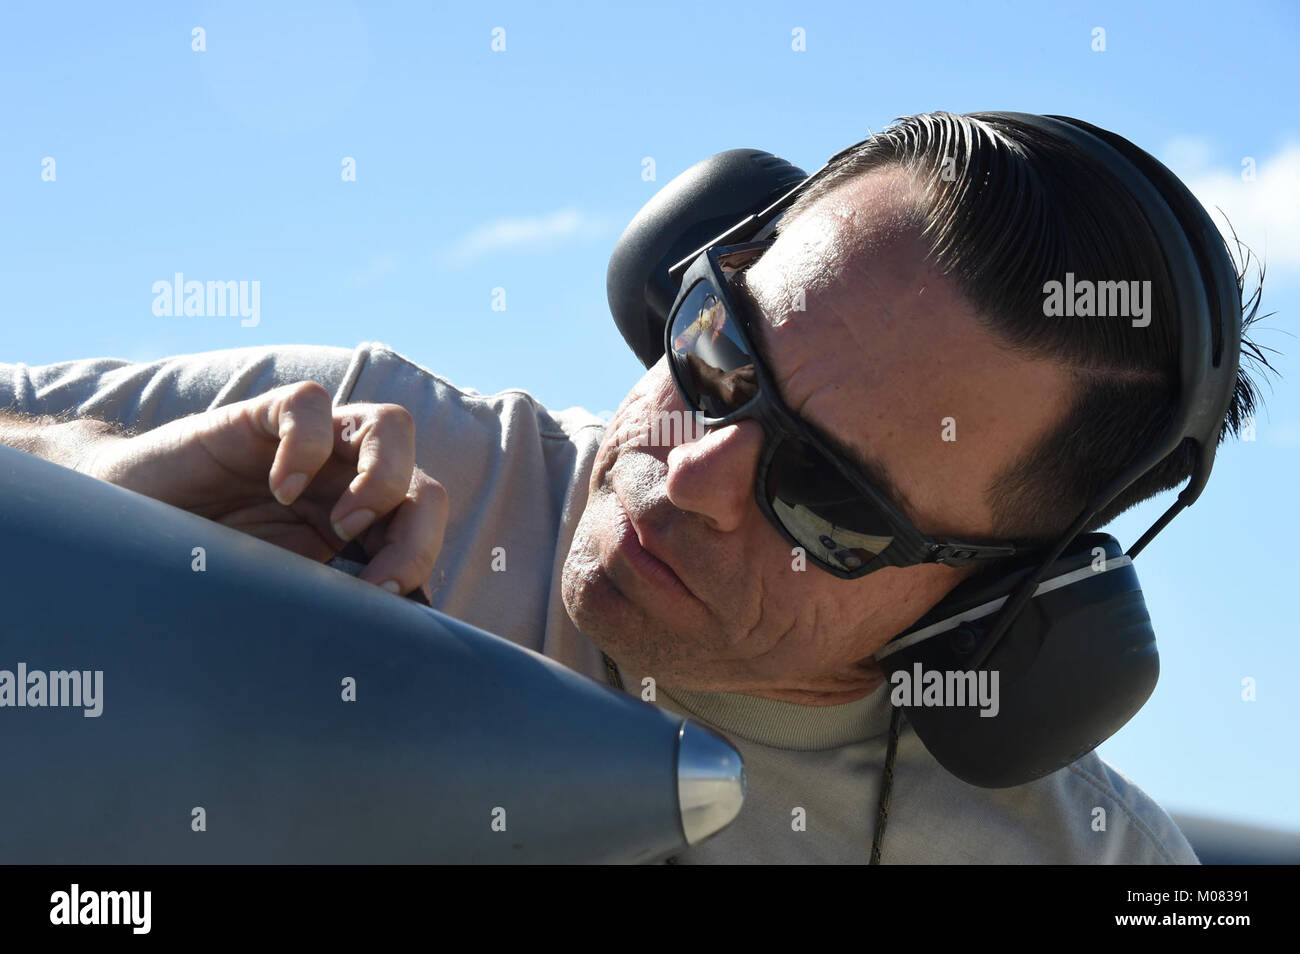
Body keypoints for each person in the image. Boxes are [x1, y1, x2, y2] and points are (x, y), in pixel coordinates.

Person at [0, 111, 1269, 863]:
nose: (693, 475)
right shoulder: (333, 446)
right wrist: (82, 508)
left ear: (991, 611)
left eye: (827, 502)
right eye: (722, 353)